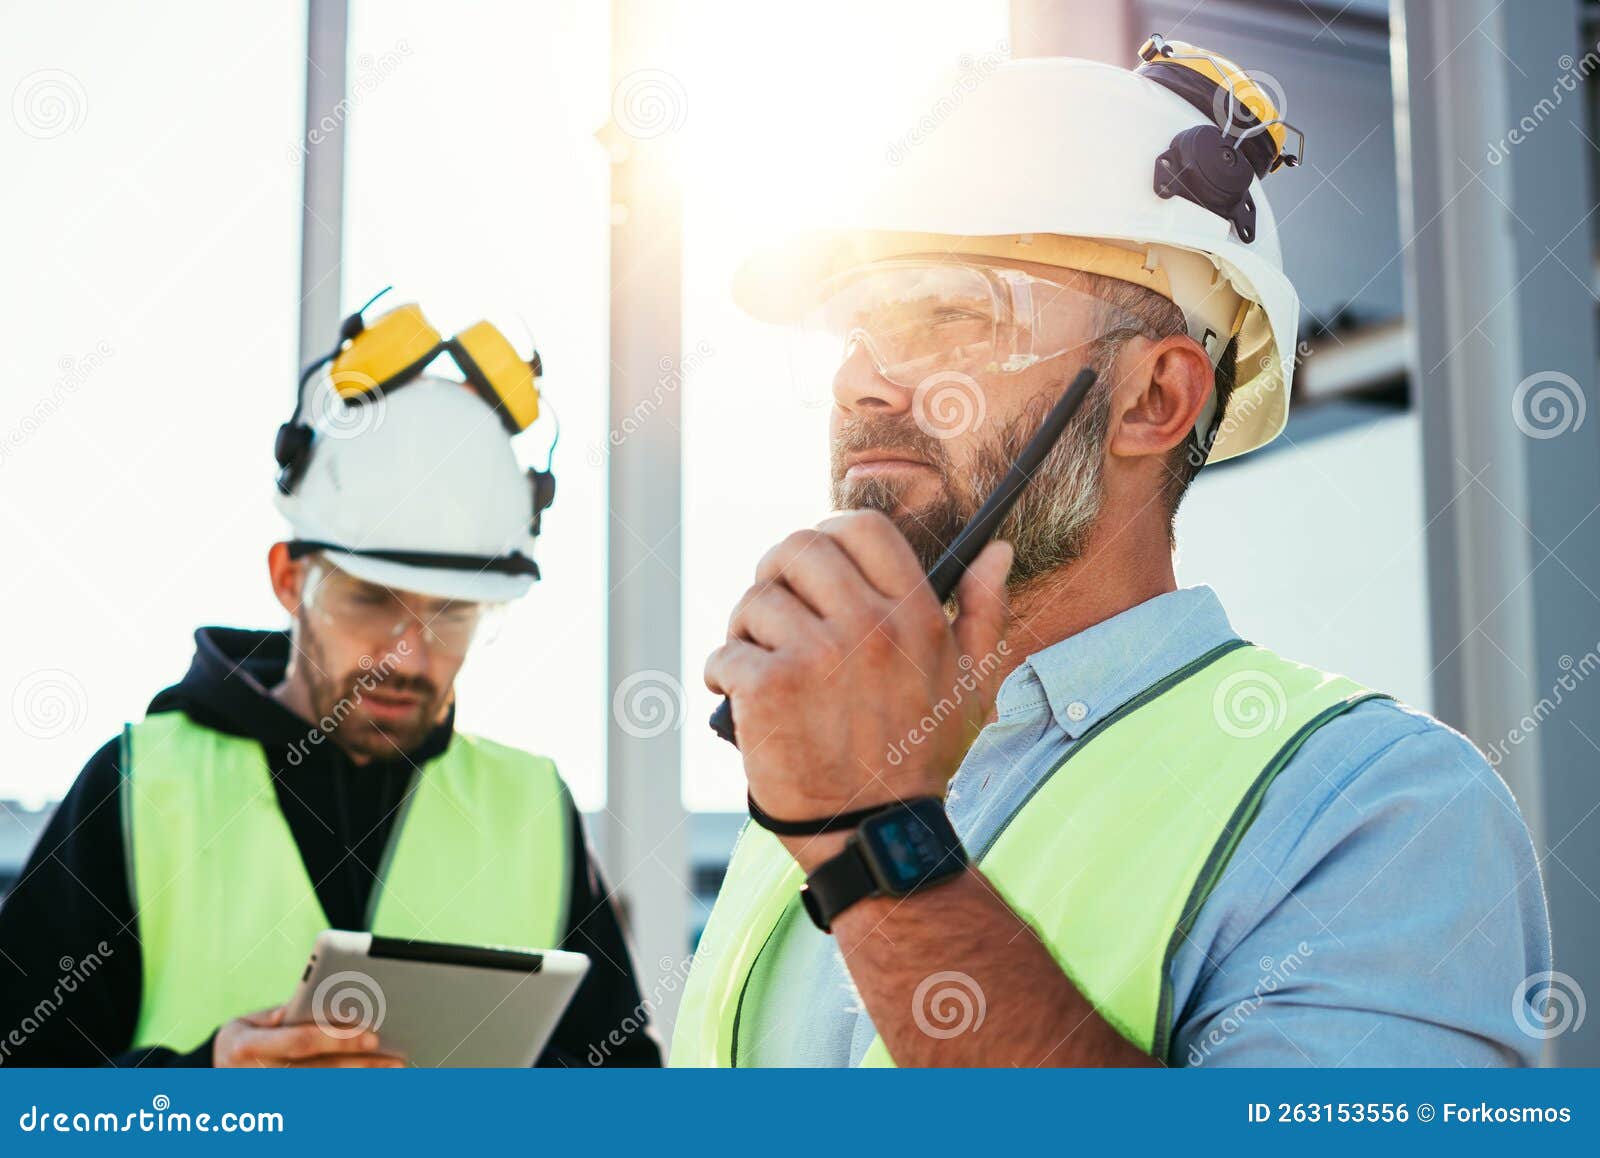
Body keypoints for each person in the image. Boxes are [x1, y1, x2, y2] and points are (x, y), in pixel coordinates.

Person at [674, 40, 1551, 1067]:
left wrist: (877, 846)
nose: (860, 382)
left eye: (944, 315)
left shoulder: (1378, 812)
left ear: (1153, 399)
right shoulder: (817, 780)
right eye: (856, 328)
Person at [0, 302, 659, 1067]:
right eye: (371, 600)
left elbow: (626, 1106)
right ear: (289, 579)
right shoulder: (141, 786)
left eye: (450, 614)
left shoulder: (534, 808)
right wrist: (200, 1091)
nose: (407, 658)